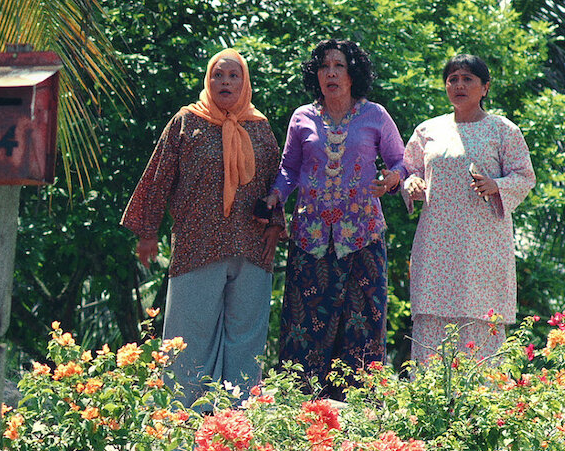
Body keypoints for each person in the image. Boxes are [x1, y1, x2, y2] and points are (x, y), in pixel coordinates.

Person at [121, 48, 284, 407]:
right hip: (197, 243)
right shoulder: (186, 121)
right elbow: (159, 177)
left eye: (233, 76)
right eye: (218, 75)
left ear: (245, 82)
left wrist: (276, 224)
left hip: (252, 245)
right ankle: (180, 415)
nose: (225, 82)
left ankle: (235, 418)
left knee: (245, 336)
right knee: (187, 333)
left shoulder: (260, 127)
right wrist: (148, 233)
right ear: (207, 80)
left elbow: (277, 181)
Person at [263, 39, 405, 399]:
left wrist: (391, 179)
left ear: (352, 74)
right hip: (311, 236)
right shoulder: (302, 117)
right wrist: (276, 194)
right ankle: (299, 405)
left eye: (338, 65)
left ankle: (359, 407)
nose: (331, 72)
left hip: (362, 235)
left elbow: (401, 161)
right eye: (324, 66)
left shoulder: (375, 115)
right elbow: (289, 168)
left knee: (362, 322)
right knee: (304, 323)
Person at [402, 54, 535, 364]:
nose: (459, 85)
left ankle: (484, 406)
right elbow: (410, 171)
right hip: (436, 244)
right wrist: (412, 185)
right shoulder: (428, 130)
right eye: (452, 79)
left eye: (467, 79)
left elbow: (525, 176)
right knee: (432, 319)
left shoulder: (503, 130)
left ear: (485, 87)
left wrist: (496, 186)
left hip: (482, 246)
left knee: (481, 319)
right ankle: (428, 402)